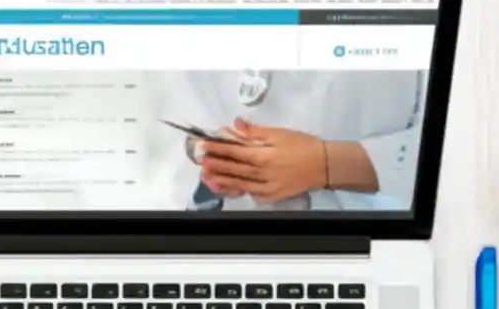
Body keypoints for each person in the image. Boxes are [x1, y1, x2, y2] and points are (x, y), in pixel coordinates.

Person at [168, 70, 427, 211]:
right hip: (213, 234)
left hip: (363, 237)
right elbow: (171, 124)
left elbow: (449, 152)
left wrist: (325, 163)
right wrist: (214, 157)